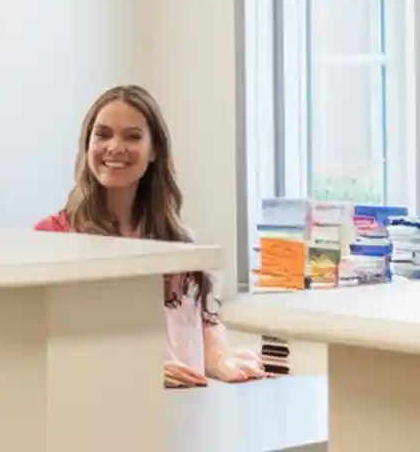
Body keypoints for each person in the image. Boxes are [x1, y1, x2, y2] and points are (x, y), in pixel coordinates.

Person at [34, 85, 268, 388]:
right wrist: (136, 369)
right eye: (102, 134)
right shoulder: (51, 238)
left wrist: (223, 358)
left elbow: (207, 326)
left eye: (132, 136)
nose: (115, 147)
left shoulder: (184, 245)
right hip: (100, 411)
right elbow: (45, 346)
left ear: (154, 149)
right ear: (87, 143)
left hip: (185, 412)